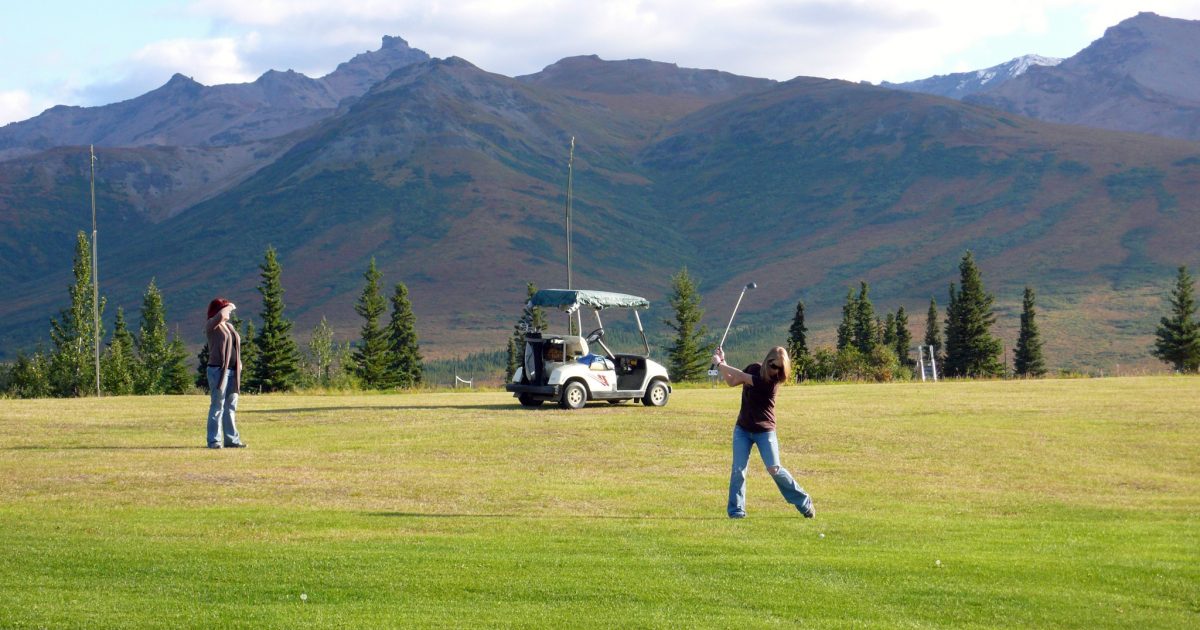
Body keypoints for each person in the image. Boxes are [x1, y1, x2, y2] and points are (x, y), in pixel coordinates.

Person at [713, 345, 813, 519]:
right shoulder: (754, 368)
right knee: (738, 470)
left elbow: (743, 376)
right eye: (774, 366)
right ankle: (736, 512)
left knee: (774, 468)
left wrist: (720, 363)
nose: (776, 371)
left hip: (764, 431)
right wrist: (723, 360)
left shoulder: (771, 383)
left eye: (781, 368)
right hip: (743, 429)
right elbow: (732, 381)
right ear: (767, 361)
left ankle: (804, 502)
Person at [205, 298, 246, 449]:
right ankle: (214, 440)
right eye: (226, 309)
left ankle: (231, 440)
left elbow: (235, 345)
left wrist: (239, 364)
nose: (230, 313)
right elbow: (221, 315)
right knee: (217, 405)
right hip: (217, 371)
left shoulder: (229, 326)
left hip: (233, 371)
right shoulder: (212, 325)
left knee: (231, 405)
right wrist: (230, 306)